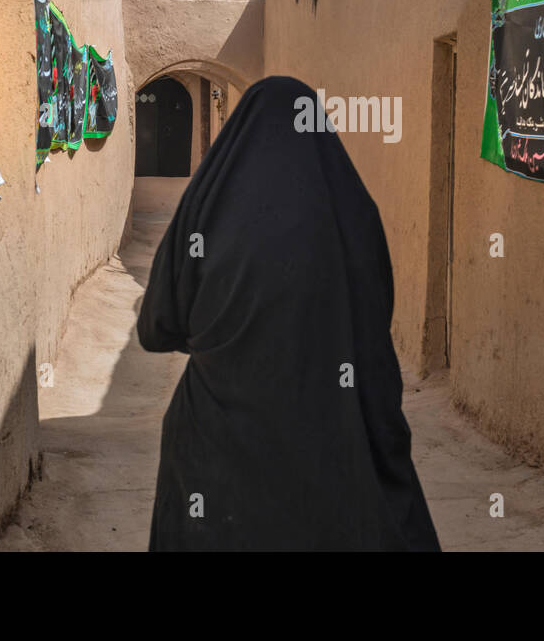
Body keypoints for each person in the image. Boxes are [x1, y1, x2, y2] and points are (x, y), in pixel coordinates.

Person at [137, 76, 440, 551]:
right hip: (335, 443)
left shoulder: (208, 206)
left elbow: (157, 326)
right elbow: (373, 327)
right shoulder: (356, 214)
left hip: (214, 458)